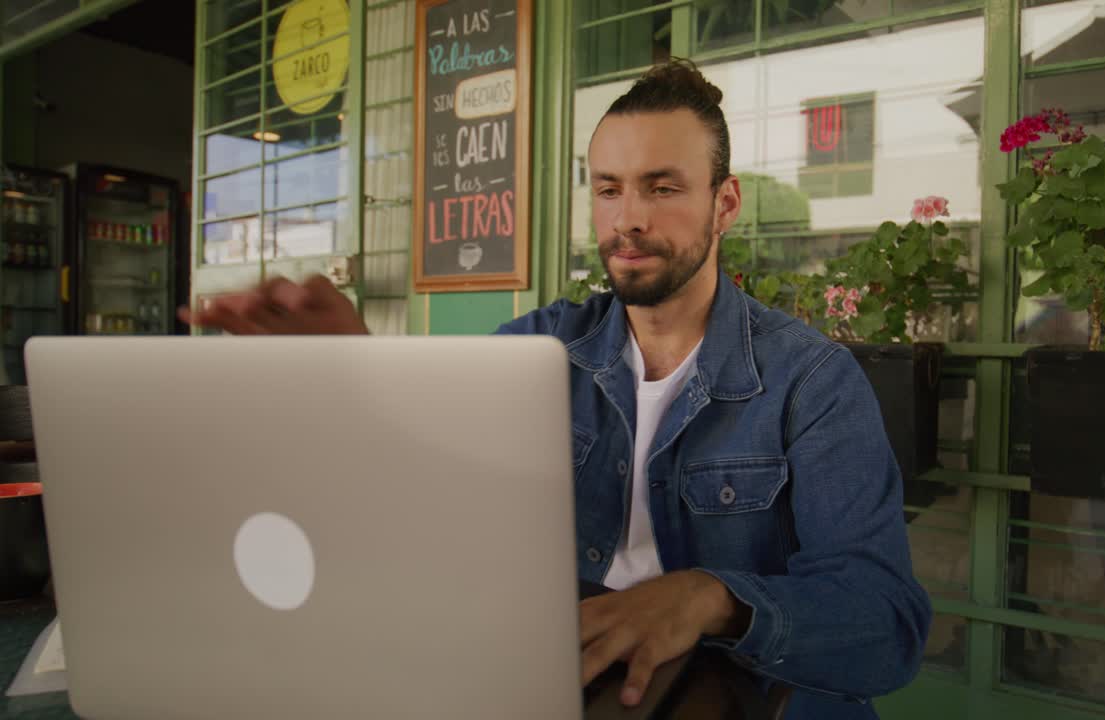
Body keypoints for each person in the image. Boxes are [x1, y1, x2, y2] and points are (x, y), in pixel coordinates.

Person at [181, 59, 931, 719]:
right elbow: (430, 464)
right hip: (564, 681)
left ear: (724, 204)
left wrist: (709, 599)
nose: (628, 219)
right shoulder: (540, 351)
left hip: (743, 690)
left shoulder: (811, 381)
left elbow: (885, 628)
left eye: (662, 188)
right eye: (609, 190)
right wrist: (353, 372)